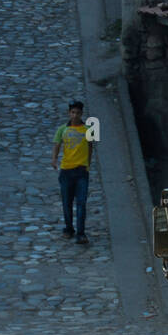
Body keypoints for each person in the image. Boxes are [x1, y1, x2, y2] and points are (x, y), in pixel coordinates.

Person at [52, 101, 96, 244]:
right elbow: (57, 145)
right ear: (69, 113)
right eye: (73, 112)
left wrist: (87, 163)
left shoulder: (88, 129)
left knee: (81, 203)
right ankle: (69, 228)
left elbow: (90, 147)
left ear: (81, 114)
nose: (75, 115)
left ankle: (81, 233)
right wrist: (54, 159)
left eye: (77, 113)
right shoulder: (62, 129)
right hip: (66, 170)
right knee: (67, 202)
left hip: (81, 171)